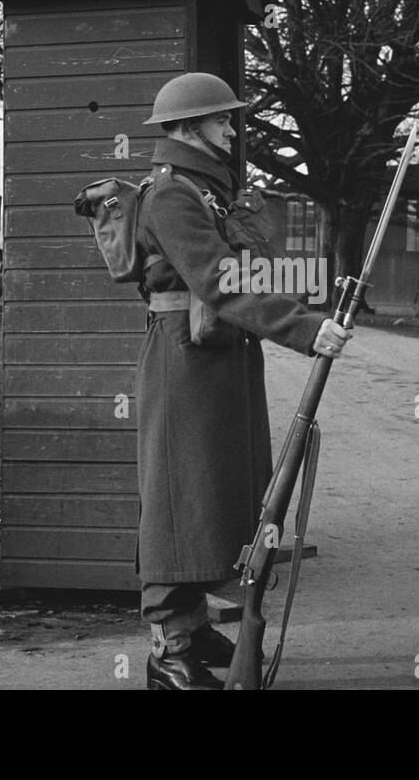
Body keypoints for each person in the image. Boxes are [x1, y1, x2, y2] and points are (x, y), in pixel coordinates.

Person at [135, 72, 351, 690]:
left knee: (217, 496)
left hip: (218, 360)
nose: (232, 130)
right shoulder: (171, 197)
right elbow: (220, 280)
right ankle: (167, 650)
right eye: (221, 120)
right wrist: (303, 328)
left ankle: (193, 625)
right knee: (179, 503)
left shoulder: (207, 193)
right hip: (183, 366)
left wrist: (301, 313)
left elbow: (246, 271)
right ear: (186, 128)